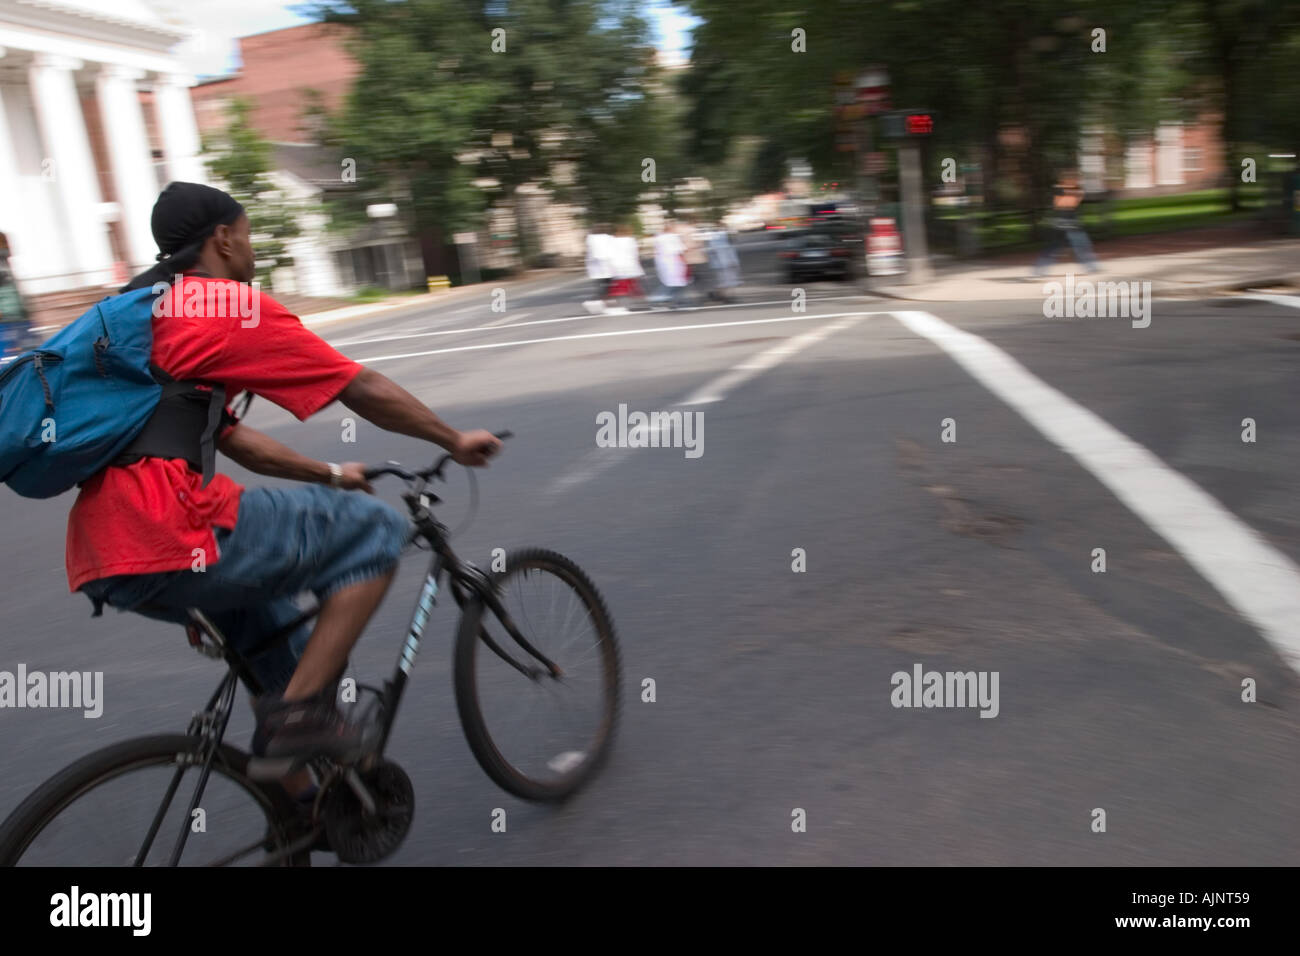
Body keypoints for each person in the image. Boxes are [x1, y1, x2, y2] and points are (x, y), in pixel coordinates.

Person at [73, 182, 502, 779]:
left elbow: (232, 437)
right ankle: (295, 717)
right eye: (247, 238)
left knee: (283, 650)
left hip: (106, 555)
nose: (252, 252)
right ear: (222, 239)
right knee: (376, 530)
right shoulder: (220, 306)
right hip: (170, 530)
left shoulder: (139, 316)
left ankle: (294, 800)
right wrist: (453, 440)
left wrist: (329, 473)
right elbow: (360, 387)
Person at [1033, 169, 1099, 276]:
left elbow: (1075, 201)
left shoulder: (1076, 190)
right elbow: (1059, 204)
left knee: (1083, 244)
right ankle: (1039, 270)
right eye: (1074, 179)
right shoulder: (1058, 189)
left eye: (1077, 179)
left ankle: (1091, 266)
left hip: (1072, 223)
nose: (1077, 181)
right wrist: (1068, 193)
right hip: (1060, 224)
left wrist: (1071, 193)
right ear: (1066, 180)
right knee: (1053, 247)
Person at [604, 224, 646, 313]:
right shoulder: (630, 240)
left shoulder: (612, 240)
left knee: (620, 284)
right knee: (631, 283)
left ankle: (612, 299)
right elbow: (635, 252)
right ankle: (638, 297)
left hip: (617, 264)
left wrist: (610, 264)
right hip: (629, 263)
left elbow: (608, 253)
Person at [651, 222, 688, 309]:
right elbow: (682, 249)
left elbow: (656, 252)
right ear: (671, 229)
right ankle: (658, 300)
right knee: (676, 283)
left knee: (670, 283)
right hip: (674, 262)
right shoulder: (673, 237)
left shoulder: (658, 238)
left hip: (663, 263)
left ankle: (673, 301)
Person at [583, 224, 613, 314]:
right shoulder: (608, 237)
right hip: (606, 265)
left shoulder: (590, 239)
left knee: (600, 286)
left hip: (595, 267)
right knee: (607, 286)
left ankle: (601, 302)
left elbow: (589, 250)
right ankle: (600, 303)